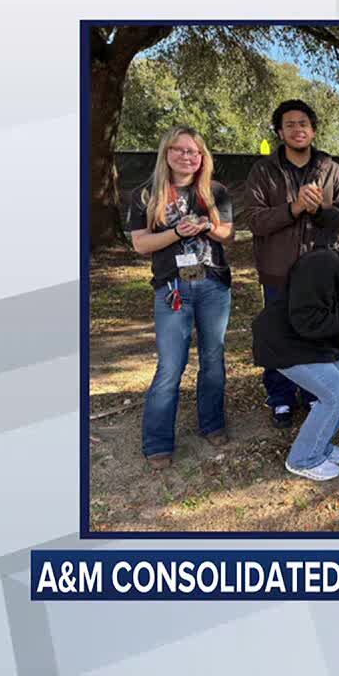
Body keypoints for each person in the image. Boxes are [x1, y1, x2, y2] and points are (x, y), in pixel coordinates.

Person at [251, 201, 339, 481]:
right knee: (336, 393)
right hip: (287, 342)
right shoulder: (323, 261)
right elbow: (307, 320)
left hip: (316, 339)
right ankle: (303, 459)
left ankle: (320, 445)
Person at [127, 126, 235, 470]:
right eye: (180, 150)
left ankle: (213, 423)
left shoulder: (215, 191)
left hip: (213, 285)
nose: (188, 156)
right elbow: (141, 244)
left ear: (203, 157)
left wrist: (205, 227)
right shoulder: (146, 194)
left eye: (195, 152)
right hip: (172, 289)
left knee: (213, 358)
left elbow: (227, 234)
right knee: (171, 365)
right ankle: (158, 442)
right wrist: (175, 232)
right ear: (166, 152)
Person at [246, 100, 339, 429]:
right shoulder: (263, 171)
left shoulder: (332, 169)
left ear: (314, 130)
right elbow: (254, 220)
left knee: (316, 334)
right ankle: (280, 398)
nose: (297, 129)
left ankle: (313, 394)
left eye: (303, 123)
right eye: (289, 124)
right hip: (278, 271)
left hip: (320, 273)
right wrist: (293, 208)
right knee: (278, 337)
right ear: (279, 131)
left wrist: (319, 210)